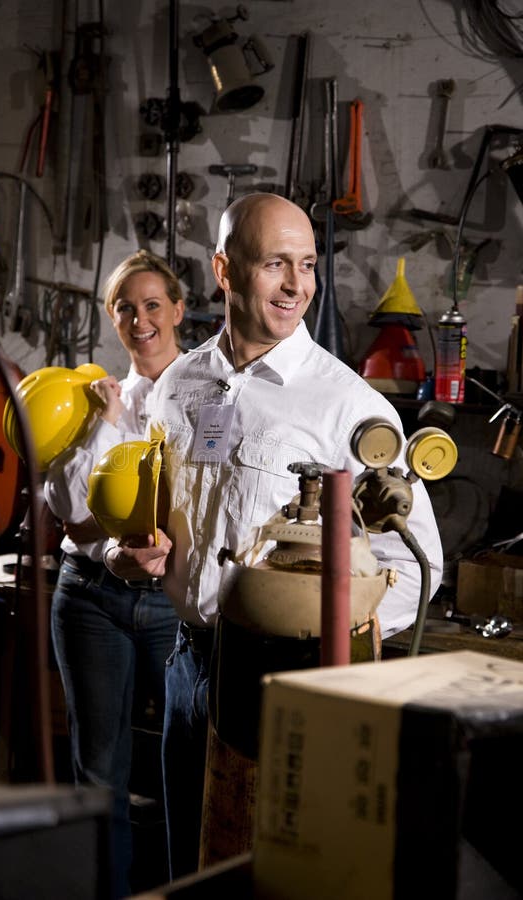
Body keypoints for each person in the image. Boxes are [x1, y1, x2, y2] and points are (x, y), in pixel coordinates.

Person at [103, 193, 443, 880]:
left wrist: (318, 641)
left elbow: (419, 568)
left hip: (288, 681)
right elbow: (148, 523)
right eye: (277, 264)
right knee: (186, 872)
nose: (298, 286)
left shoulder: (349, 406)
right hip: (187, 664)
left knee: (276, 880)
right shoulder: (180, 384)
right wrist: (124, 556)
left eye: (309, 265)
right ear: (225, 269)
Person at [43, 249, 184, 899]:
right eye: (126, 307)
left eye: (153, 303)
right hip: (90, 597)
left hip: (171, 601)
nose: (140, 318)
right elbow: (72, 515)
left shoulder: (205, 394)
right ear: (112, 317)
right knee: (99, 772)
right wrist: (99, 427)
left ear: (179, 310)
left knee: (184, 767)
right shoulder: (97, 398)